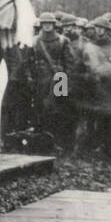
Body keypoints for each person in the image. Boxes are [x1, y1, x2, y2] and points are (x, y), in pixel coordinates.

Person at [28, 11, 71, 149]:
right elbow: (27, 61)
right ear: (41, 25)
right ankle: (41, 140)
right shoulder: (34, 41)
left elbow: (70, 62)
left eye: (50, 23)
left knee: (59, 108)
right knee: (40, 107)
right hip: (40, 78)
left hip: (60, 77)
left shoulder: (63, 40)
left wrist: (67, 79)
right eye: (44, 23)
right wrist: (30, 77)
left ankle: (57, 140)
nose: (47, 26)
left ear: (54, 25)